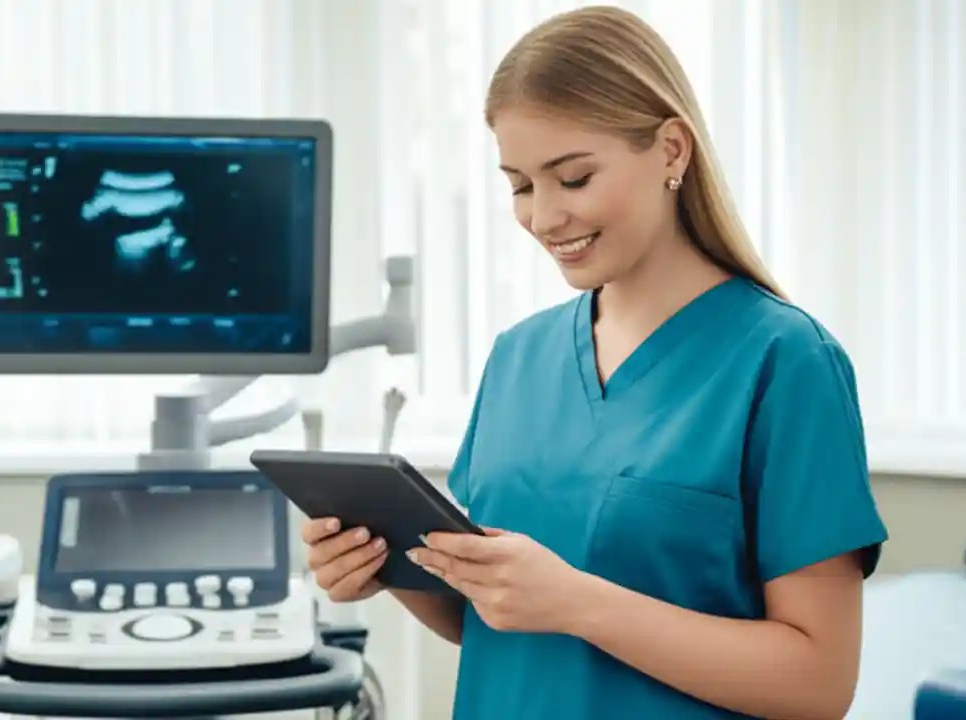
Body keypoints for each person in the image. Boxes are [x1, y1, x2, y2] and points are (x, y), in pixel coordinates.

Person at [301, 5, 888, 720]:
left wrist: (580, 603)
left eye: (573, 178)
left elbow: (818, 684)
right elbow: (488, 619)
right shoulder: (519, 357)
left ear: (672, 151)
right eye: (519, 185)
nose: (544, 218)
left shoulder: (785, 362)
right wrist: (388, 568)